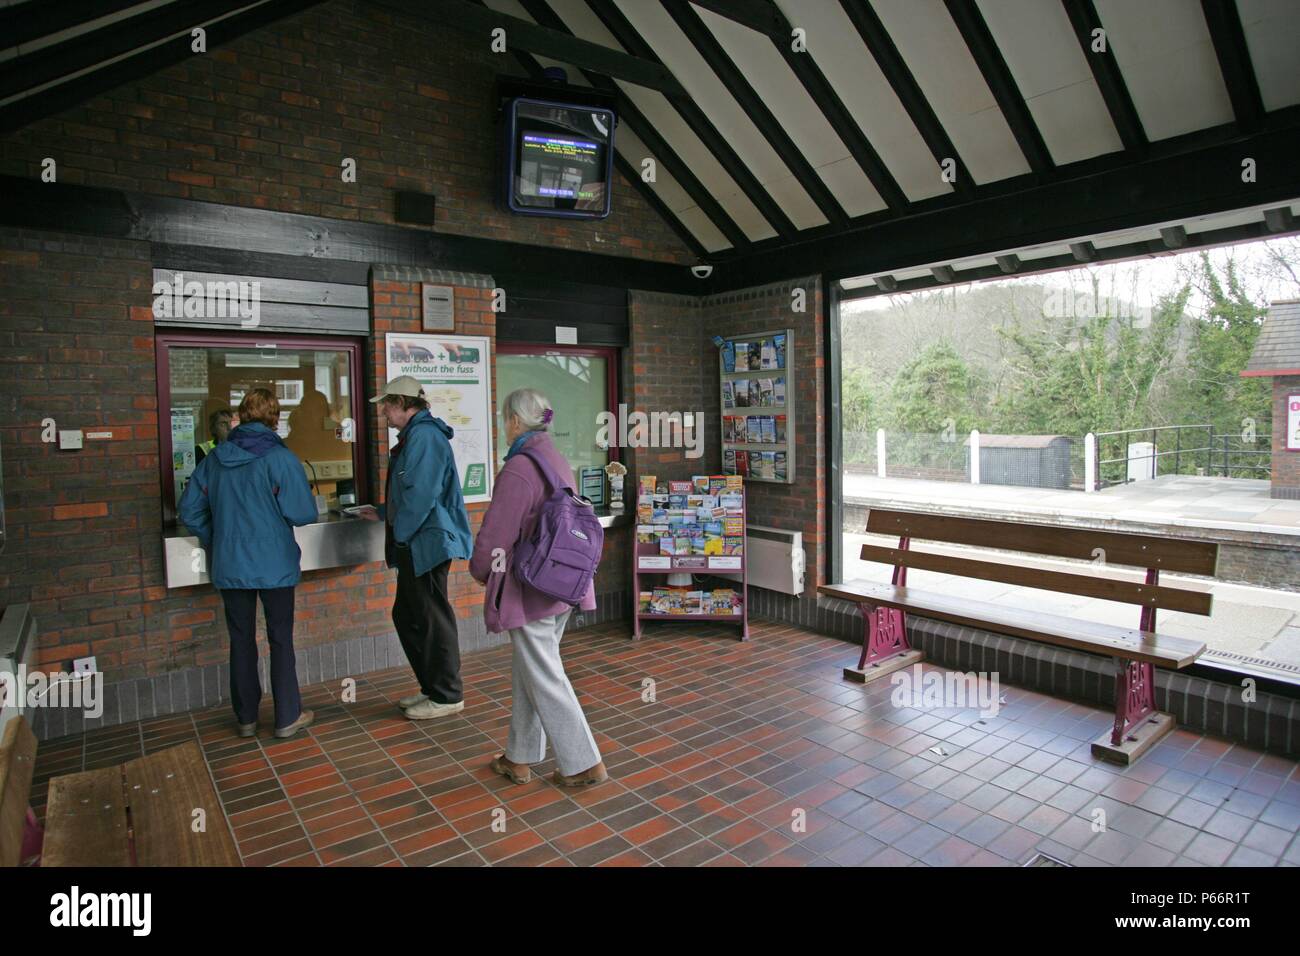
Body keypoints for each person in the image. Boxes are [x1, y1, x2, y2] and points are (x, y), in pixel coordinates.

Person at [470, 388, 606, 788]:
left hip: (530, 589)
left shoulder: (519, 468)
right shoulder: (553, 457)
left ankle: (584, 763)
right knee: (530, 669)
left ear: (514, 421)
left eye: (503, 419)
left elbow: (497, 533)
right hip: (560, 582)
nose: (503, 425)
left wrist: (481, 569)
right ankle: (519, 756)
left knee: (544, 673)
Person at [178, 388, 318, 739]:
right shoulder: (281, 459)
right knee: (280, 638)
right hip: (275, 564)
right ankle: (287, 716)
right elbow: (303, 513)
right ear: (274, 418)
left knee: (241, 639)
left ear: (241, 415)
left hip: (231, 563)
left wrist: (219, 536)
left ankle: (246, 718)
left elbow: (189, 510)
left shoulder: (214, 459)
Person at [364, 375, 473, 720]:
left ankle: (446, 694)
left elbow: (423, 496)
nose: (382, 411)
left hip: (425, 542)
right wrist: (384, 513)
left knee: (431, 617)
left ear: (402, 403)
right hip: (419, 539)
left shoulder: (423, 437)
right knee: (410, 615)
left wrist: (401, 534)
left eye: (386, 404)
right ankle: (432, 687)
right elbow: (411, 492)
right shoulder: (417, 435)